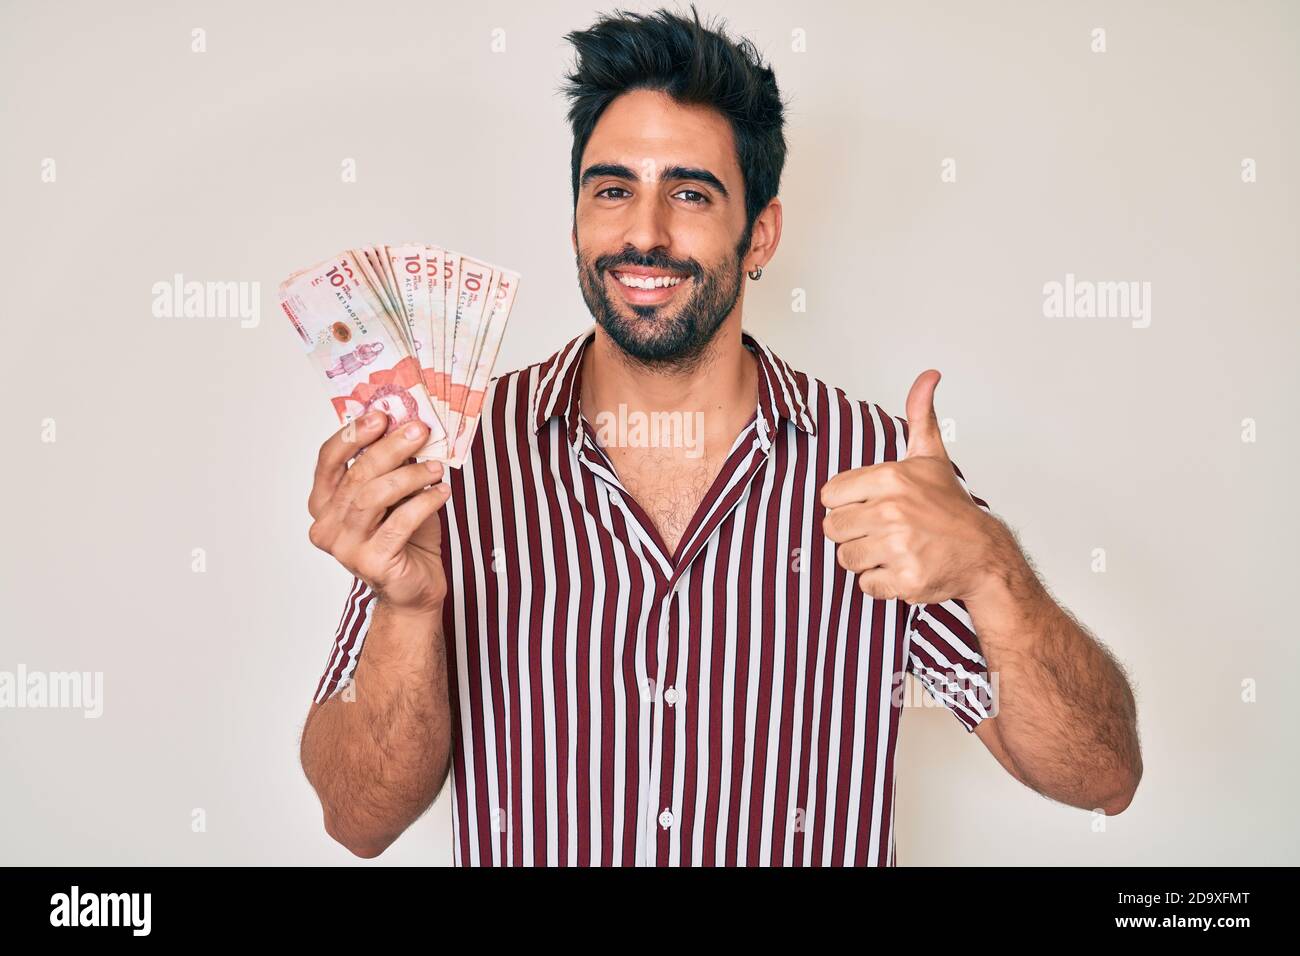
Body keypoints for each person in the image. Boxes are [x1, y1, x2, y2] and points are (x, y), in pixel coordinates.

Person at [299, 5, 1141, 866]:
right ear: (576, 219)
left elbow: (1101, 777)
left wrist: (993, 570)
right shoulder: (459, 457)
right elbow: (357, 819)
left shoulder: (880, 473)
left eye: (691, 193)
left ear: (761, 233)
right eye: (613, 189)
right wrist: (410, 609)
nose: (645, 234)